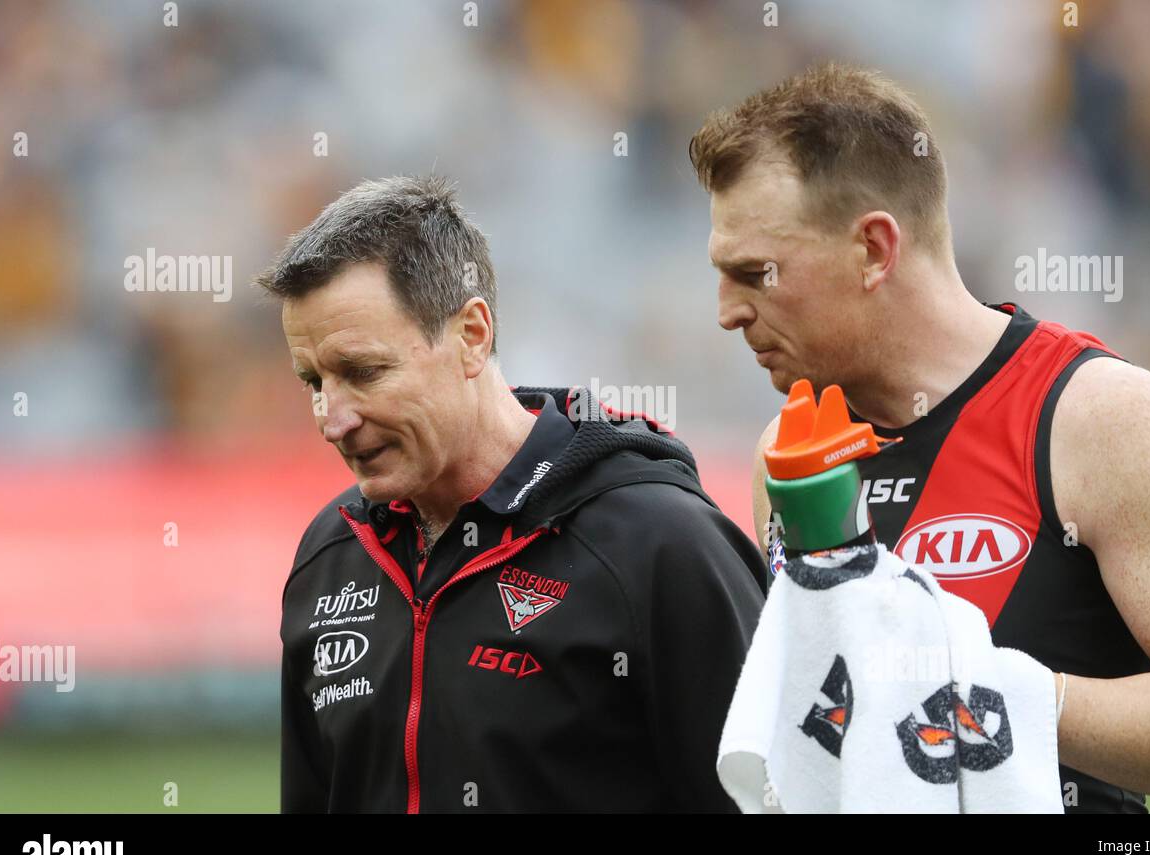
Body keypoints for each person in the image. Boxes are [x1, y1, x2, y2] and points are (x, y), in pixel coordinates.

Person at [689, 62, 1150, 812]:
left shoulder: (1097, 416)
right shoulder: (792, 455)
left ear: (873, 249)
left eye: (754, 273)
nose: (726, 312)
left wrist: (993, 695)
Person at [257, 175, 767, 813]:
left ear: (472, 335)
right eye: (314, 381)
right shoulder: (328, 557)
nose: (333, 419)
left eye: (362, 372)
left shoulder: (660, 544)